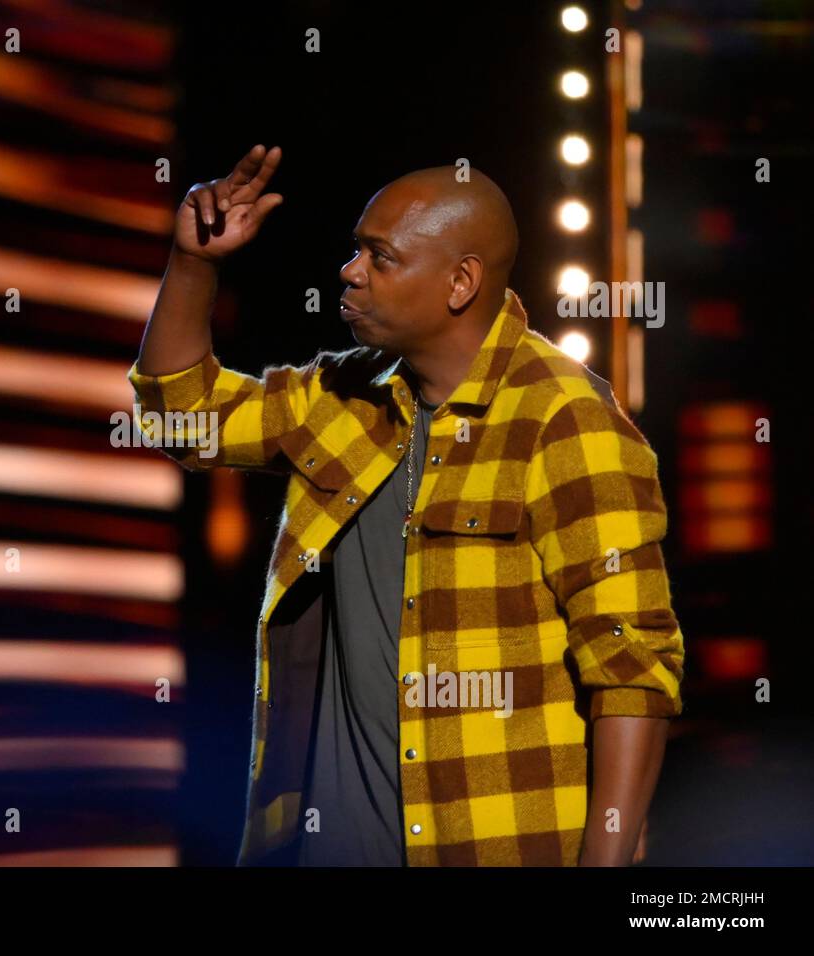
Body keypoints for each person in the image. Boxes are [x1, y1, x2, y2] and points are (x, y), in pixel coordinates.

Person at [127, 144, 685, 866]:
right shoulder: (345, 397)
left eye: (379, 257)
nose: (349, 272)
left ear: (460, 282)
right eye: (355, 251)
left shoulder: (565, 419)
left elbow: (632, 668)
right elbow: (183, 417)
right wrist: (195, 262)